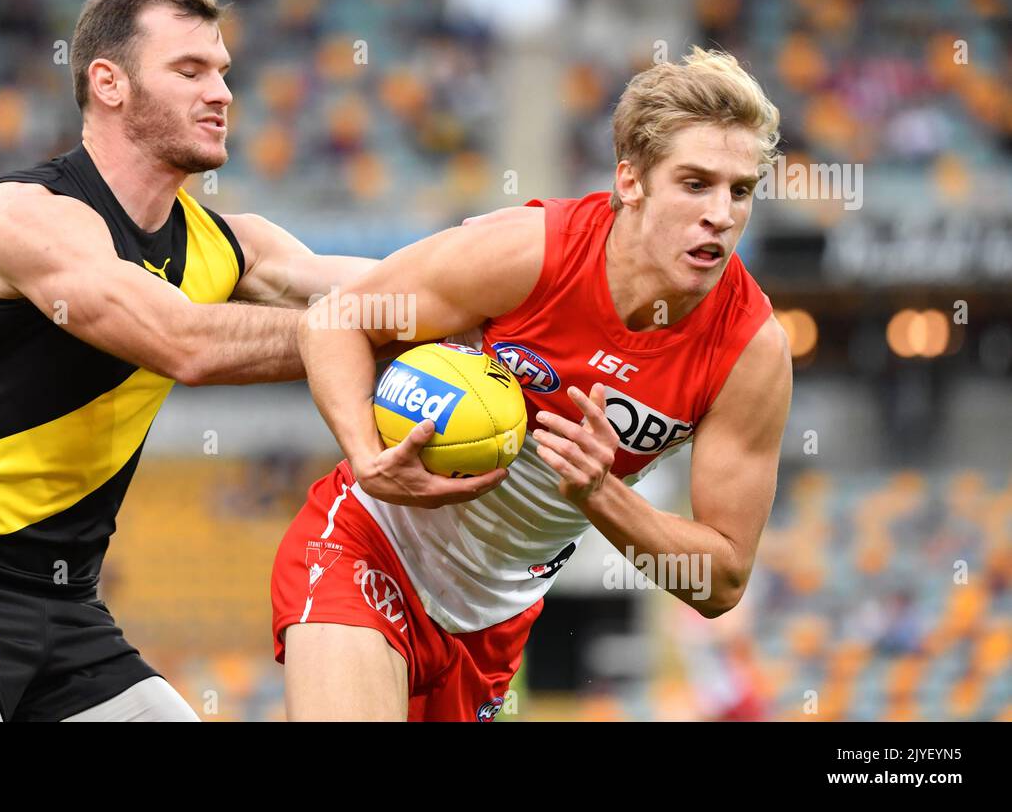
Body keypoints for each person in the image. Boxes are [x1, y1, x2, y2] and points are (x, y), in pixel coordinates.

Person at [0, 0, 372, 722]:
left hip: (71, 615)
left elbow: (406, 289)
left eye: (222, 72)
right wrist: (361, 336)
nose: (220, 93)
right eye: (189, 70)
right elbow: (183, 342)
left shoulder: (231, 246)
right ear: (109, 83)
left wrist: (521, 277)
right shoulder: (26, 216)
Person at [272, 48, 794, 721]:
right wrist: (368, 458)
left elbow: (721, 579)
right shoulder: (531, 251)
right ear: (631, 181)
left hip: (493, 620)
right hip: (369, 546)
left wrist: (602, 494)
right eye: (695, 184)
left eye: (740, 190)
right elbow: (337, 320)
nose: (721, 213)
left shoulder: (750, 352)